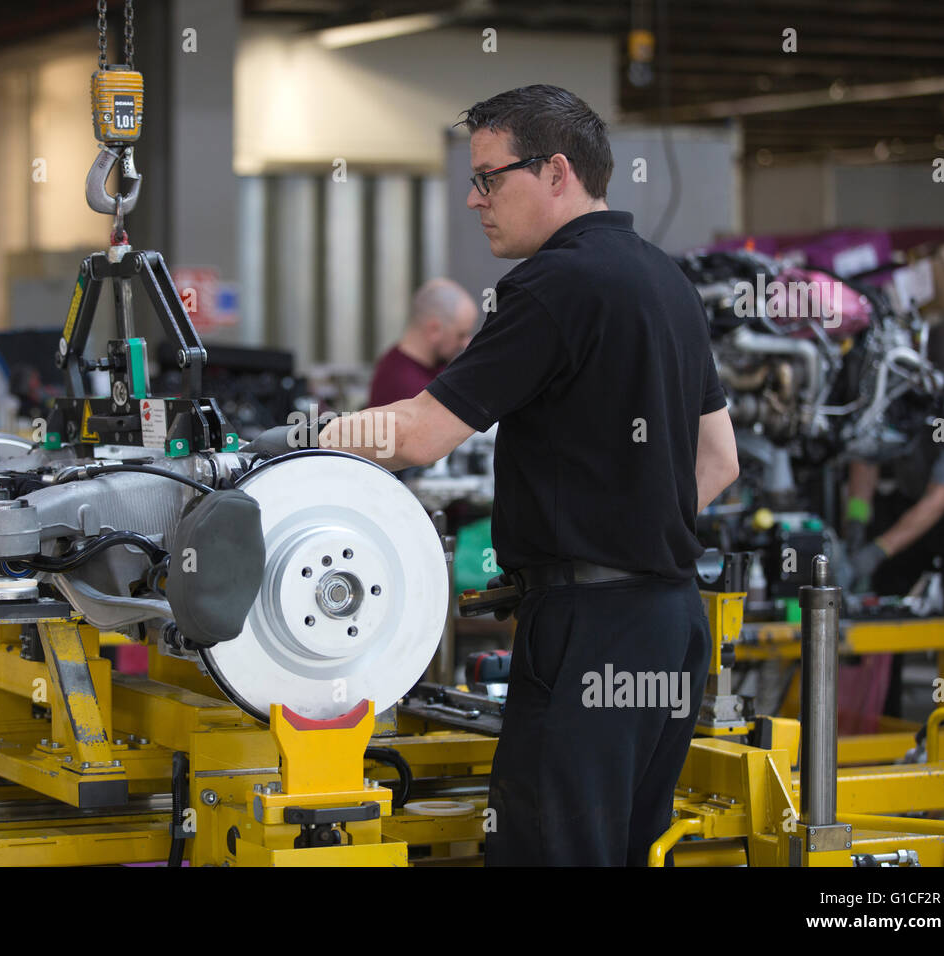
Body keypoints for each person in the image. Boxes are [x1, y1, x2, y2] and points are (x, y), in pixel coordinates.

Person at [247, 84, 739, 865]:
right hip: (672, 627)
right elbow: (720, 462)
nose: (475, 200)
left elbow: (418, 434)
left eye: (488, 177)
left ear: (555, 173)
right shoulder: (668, 281)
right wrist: (629, 529)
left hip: (588, 631)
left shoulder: (556, 284)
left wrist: (282, 447)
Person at [846, 323, 944, 713]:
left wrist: (876, 550)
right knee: (876, 613)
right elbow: (867, 454)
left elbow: (938, 499)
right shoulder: (899, 387)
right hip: (909, 508)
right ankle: (881, 720)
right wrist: (857, 524)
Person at [368, 279, 477, 407]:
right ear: (434, 329)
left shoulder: (424, 368)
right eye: (460, 335)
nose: (466, 343)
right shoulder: (408, 389)